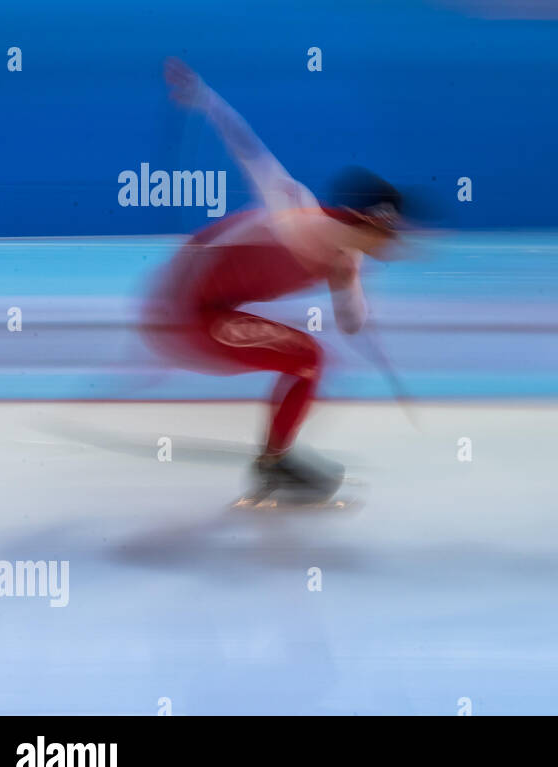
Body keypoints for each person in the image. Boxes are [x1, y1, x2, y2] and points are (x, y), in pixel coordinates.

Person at [143, 57, 403, 501]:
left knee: (309, 361)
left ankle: (275, 461)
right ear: (367, 221)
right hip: (182, 311)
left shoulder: (345, 257)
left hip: (210, 310)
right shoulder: (293, 208)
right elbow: (247, 146)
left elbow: (352, 323)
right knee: (309, 359)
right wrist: (204, 97)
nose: (395, 244)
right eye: (389, 231)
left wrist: (350, 285)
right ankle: (274, 464)